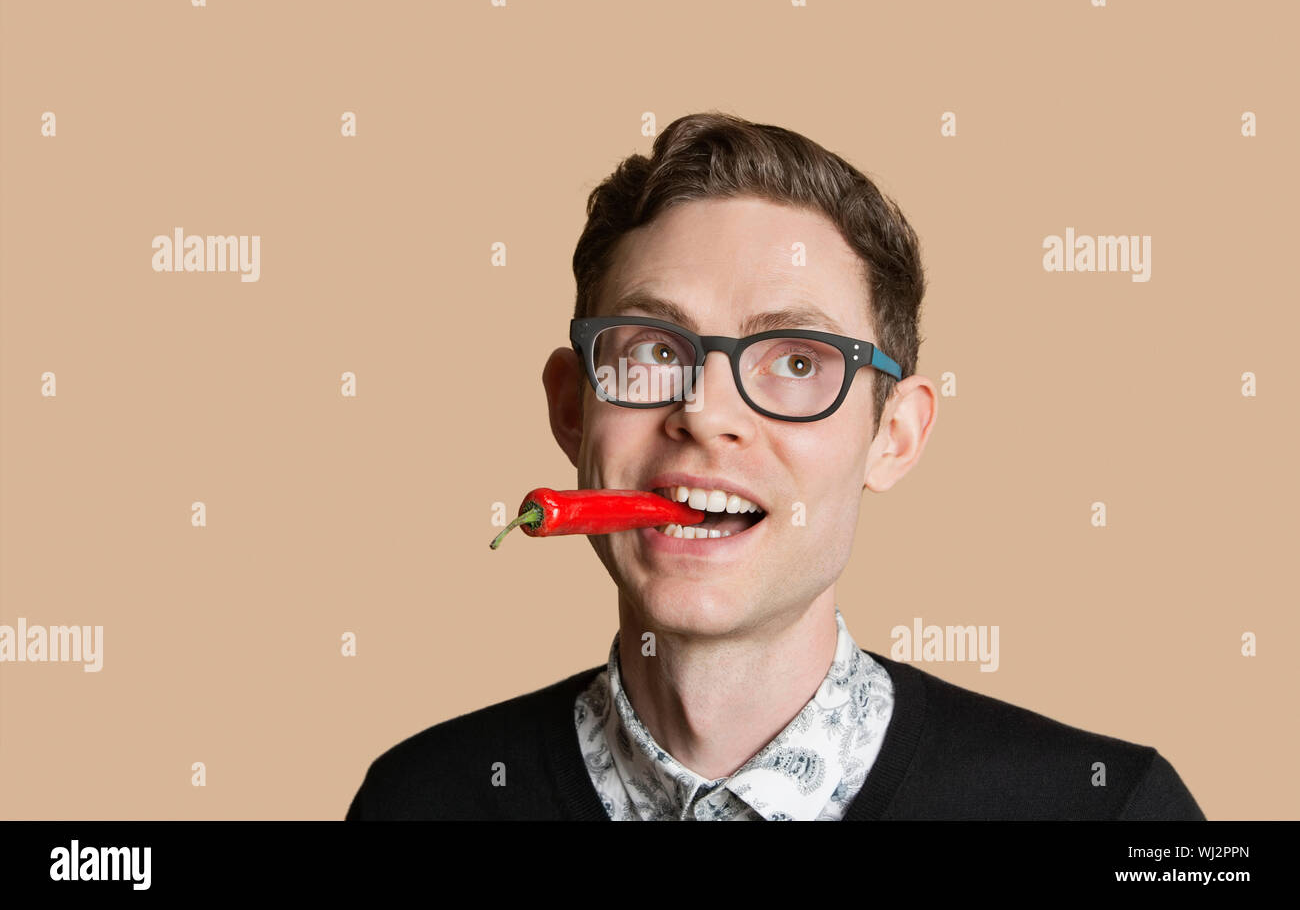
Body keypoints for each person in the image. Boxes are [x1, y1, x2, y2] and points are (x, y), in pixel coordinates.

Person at [345, 111, 1205, 820]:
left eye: (796, 361)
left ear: (893, 435)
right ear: (572, 410)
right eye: (651, 348)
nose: (706, 414)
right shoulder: (417, 801)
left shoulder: (1114, 816)